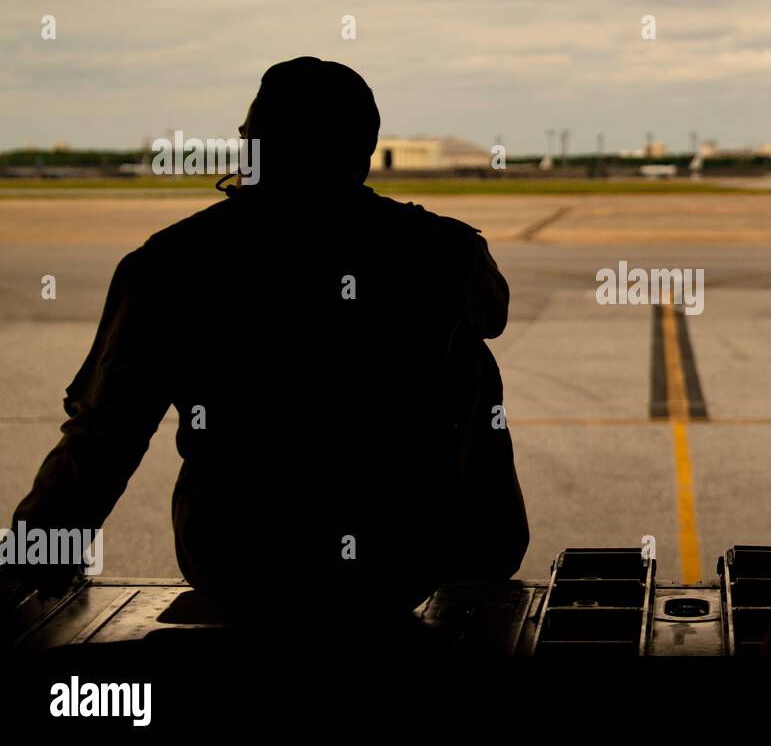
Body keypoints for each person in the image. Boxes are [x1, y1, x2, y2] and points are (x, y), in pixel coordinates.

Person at [4, 57, 528, 622]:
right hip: (400, 560)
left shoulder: (172, 260)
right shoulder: (441, 248)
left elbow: (105, 433)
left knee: (113, 410)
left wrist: (31, 559)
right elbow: (492, 313)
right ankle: (482, 563)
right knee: (470, 355)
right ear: (363, 151)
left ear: (255, 145)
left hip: (237, 559)